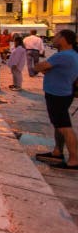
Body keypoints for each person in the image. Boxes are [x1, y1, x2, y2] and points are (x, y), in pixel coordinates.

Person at [34, 29, 78, 171]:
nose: (54, 38)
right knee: (59, 125)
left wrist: (42, 68)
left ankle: (74, 159)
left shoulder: (63, 56)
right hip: (64, 93)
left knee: (65, 127)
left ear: (63, 39)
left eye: (57, 36)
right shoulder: (71, 55)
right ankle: (57, 152)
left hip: (58, 94)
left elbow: (38, 67)